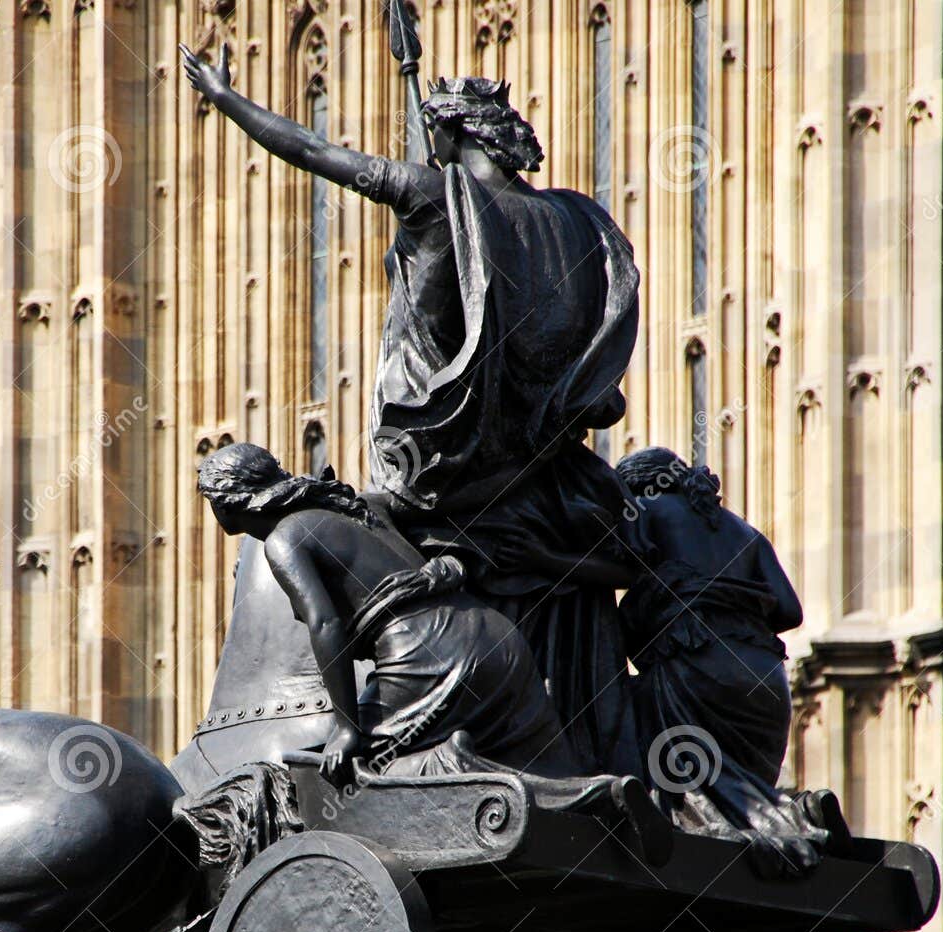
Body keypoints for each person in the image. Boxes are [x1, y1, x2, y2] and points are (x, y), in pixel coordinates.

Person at [181, 49, 646, 775]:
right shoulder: (581, 223)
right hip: (547, 482)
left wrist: (227, 98)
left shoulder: (434, 197)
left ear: (451, 137)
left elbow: (311, 150)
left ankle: (348, 729)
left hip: (444, 476)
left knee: (326, 539)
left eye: (436, 138)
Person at [196, 443, 575, 785]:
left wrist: (347, 729)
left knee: (338, 779)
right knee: (546, 768)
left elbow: (325, 624)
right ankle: (599, 800)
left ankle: (452, 763)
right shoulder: (362, 506)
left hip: (428, 659)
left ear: (226, 503)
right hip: (495, 636)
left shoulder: (284, 540)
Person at [616, 447, 844, 875]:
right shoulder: (745, 533)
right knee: (744, 787)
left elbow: (612, 566)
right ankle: (798, 814)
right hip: (764, 682)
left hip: (697, 668)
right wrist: (733, 596)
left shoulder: (646, 509)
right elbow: (790, 612)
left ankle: (765, 825)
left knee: (633, 718)